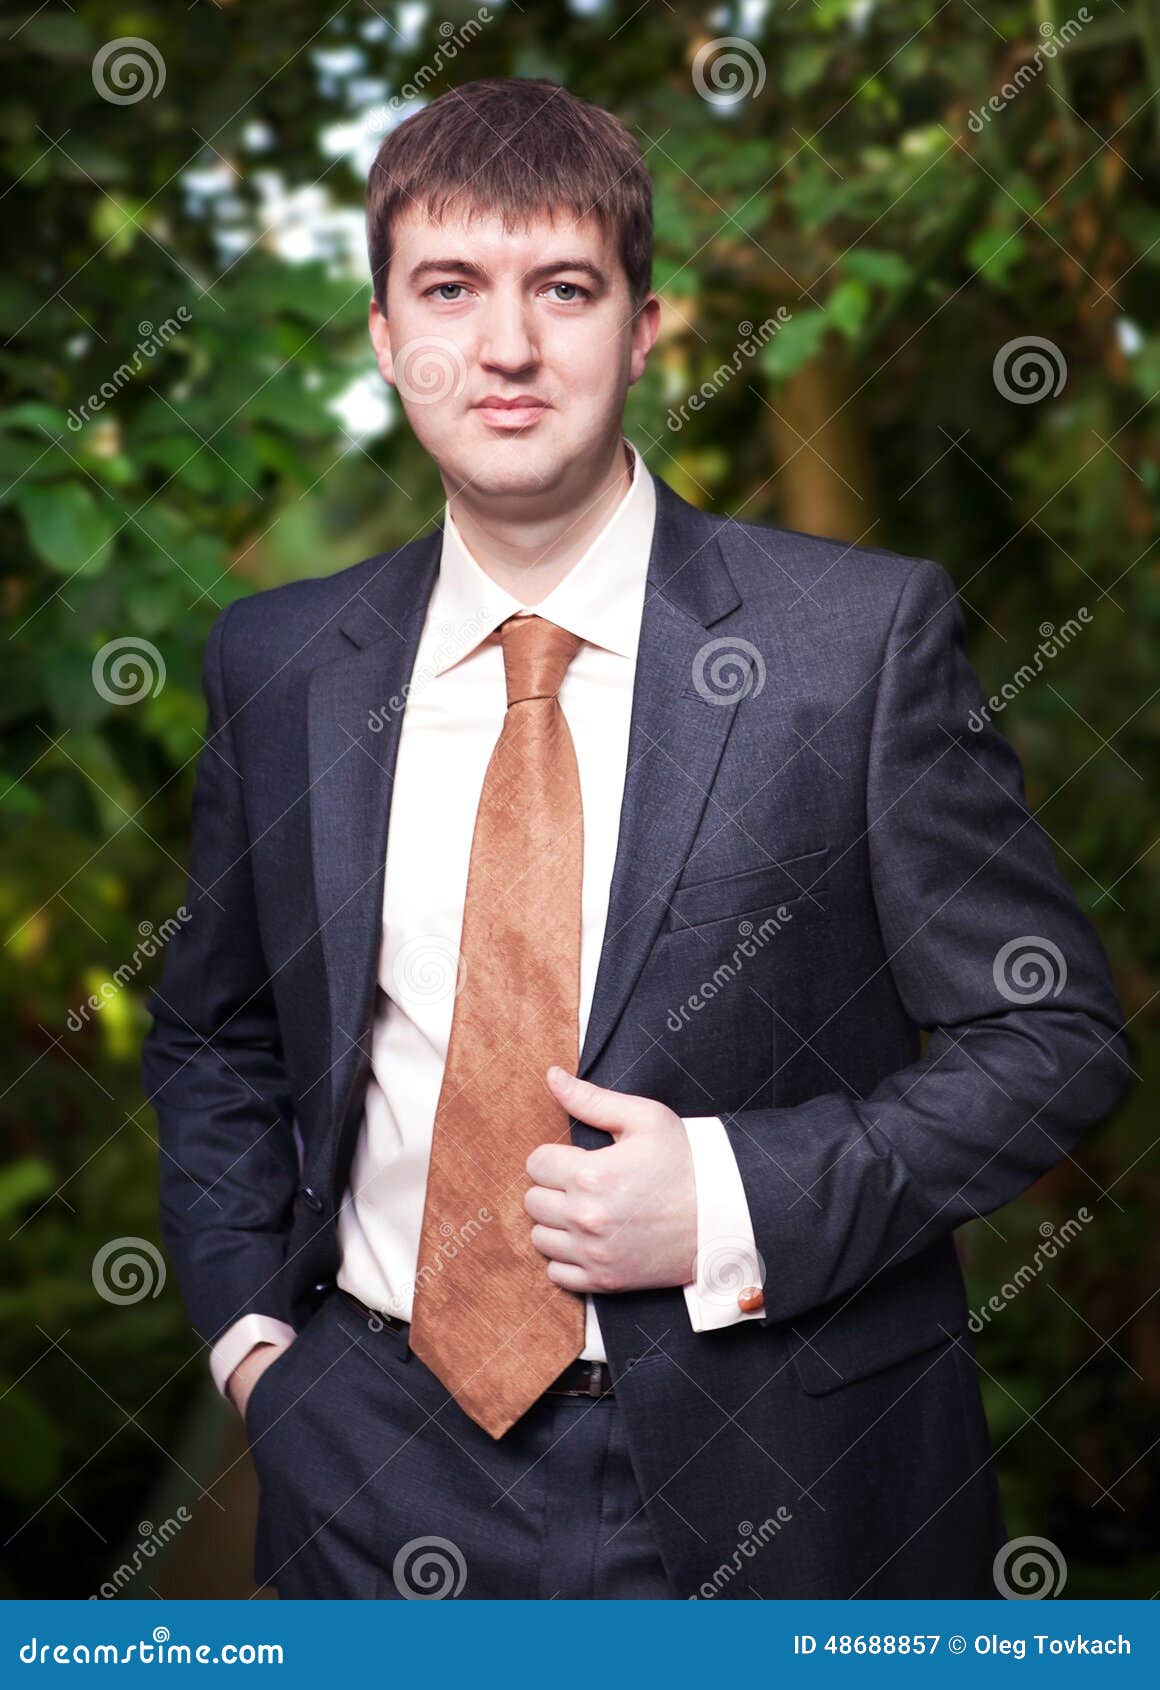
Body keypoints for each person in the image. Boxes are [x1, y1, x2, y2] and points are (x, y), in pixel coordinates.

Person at [141, 76, 1131, 1601]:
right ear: (383, 336)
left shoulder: (850, 644)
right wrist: (254, 1347)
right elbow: (214, 1029)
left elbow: (1055, 1034)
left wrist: (735, 1194)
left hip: (772, 1480)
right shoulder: (278, 665)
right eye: (451, 289)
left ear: (647, 327)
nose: (510, 345)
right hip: (362, 1457)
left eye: (565, 288)